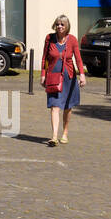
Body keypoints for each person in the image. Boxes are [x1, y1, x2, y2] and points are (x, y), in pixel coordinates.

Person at [41, 14, 85, 147]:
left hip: (69, 78)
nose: (59, 26)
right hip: (53, 77)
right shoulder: (49, 38)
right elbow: (45, 59)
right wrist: (43, 74)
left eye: (62, 24)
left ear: (67, 27)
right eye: (58, 24)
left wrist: (82, 74)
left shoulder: (72, 40)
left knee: (67, 108)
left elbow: (78, 59)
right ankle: (54, 136)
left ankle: (65, 132)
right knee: (54, 106)